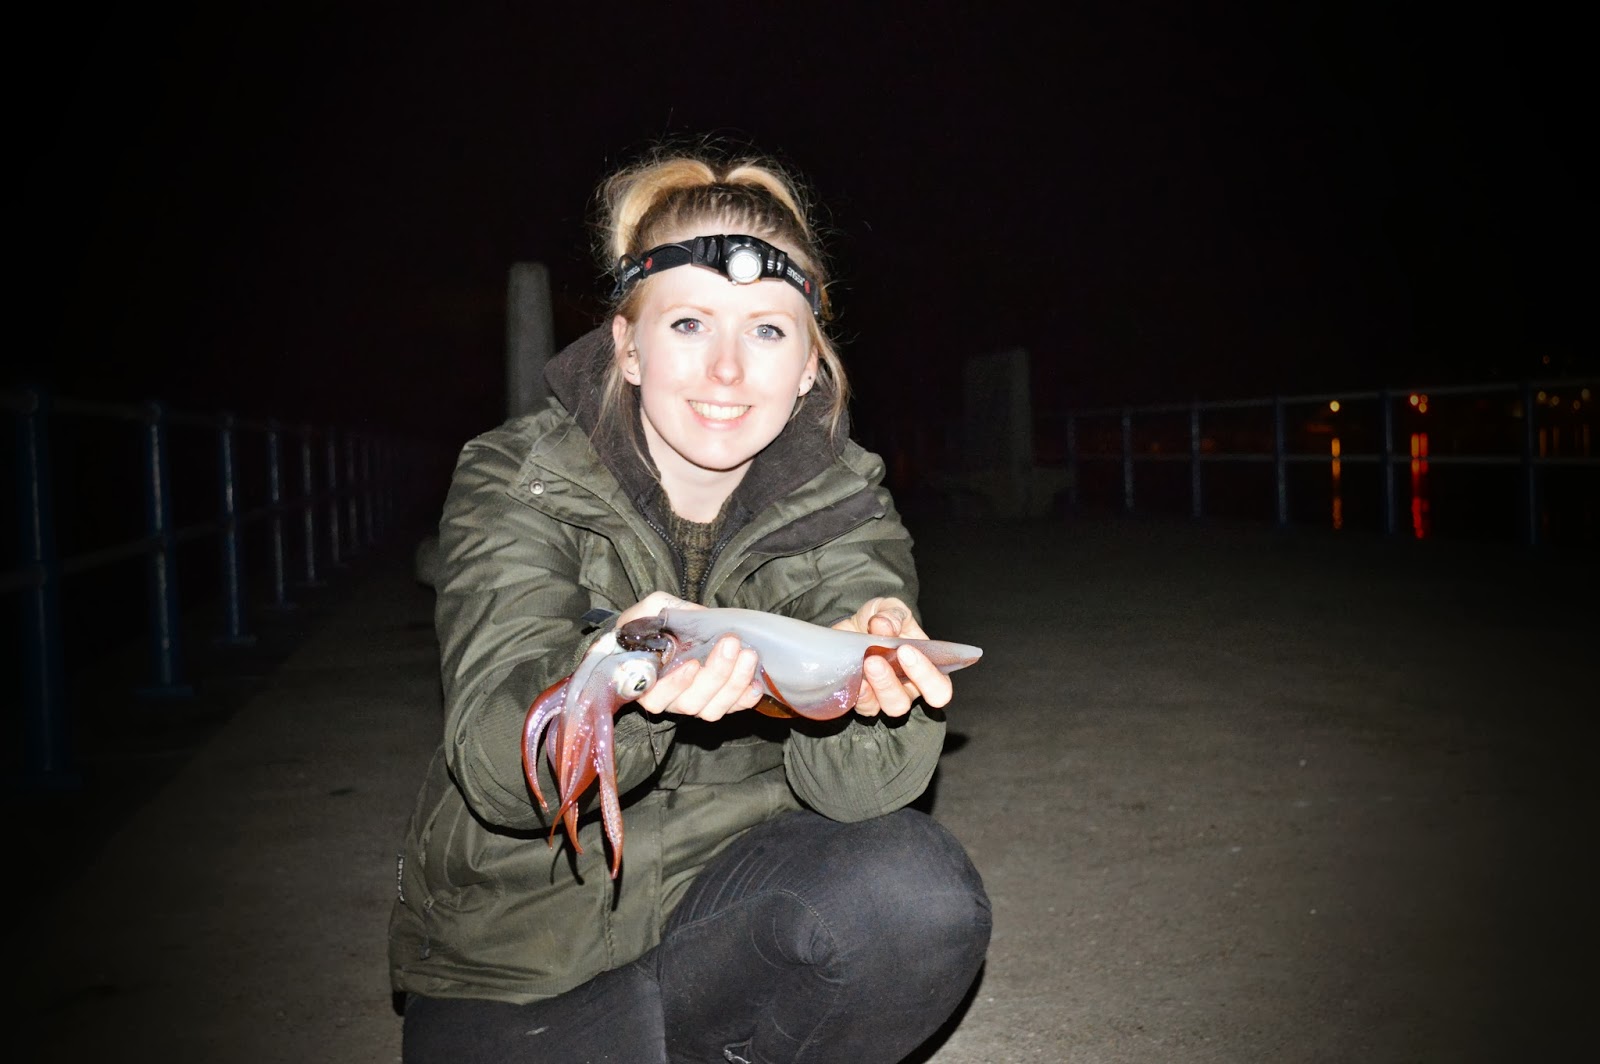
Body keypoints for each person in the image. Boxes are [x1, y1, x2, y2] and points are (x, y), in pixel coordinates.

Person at [389, 142, 991, 1064]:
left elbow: (866, 790)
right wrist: (624, 694)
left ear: (806, 369)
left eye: (766, 331)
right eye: (687, 326)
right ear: (626, 349)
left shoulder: (846, 501)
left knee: (914, 898)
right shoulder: (516, 479)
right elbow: (494, 765)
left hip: (726, 917)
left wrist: (874, 682)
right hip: (523, 952)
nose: (726, 372)